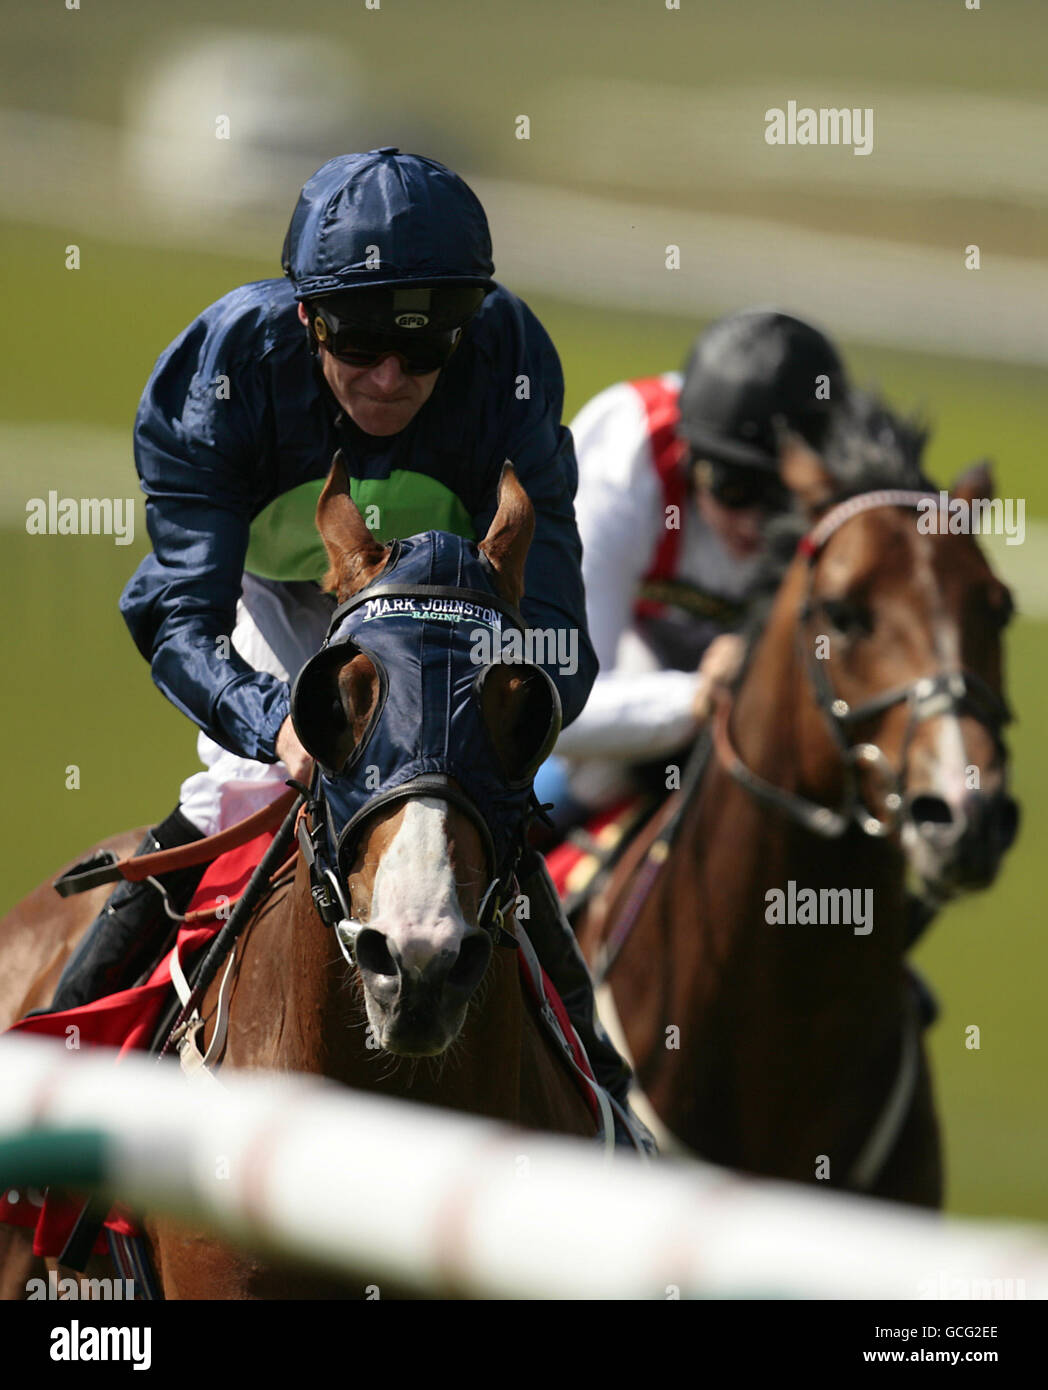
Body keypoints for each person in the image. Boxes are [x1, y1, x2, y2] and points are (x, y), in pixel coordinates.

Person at [47, 148, 644, 1141]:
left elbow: (557, 639)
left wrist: (486, 737)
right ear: (305, 314)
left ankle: (613, 1115)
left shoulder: (509, 362)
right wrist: (267, 716)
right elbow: (175, 615)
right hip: (277, 597)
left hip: (447, 623)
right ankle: (48, 1107)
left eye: (425, 350)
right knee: (222, 800)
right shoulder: (224, 368)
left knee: (490, 841)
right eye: (358, 341)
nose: (388, 376)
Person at [534, 308, 849, 832]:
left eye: (780, 498)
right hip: (646, 658)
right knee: (595, 769)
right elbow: (557, 707)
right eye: (733, 487)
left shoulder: (844, 497)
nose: (752, 522)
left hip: (774, 688)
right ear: (687, 454)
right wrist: (698, 698)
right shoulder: (625, 457)